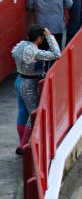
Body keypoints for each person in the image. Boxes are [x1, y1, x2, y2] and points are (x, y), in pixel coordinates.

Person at [12, 24, 61, 156]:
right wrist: (50, 36)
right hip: (29, 83)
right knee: (34, 113)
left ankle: (22, 142)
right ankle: (23, 145)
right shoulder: (33, 51)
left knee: (22, 111)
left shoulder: (21, 44)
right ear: (39, 38)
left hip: (18, 80)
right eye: (42, 38)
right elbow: (57, 54)